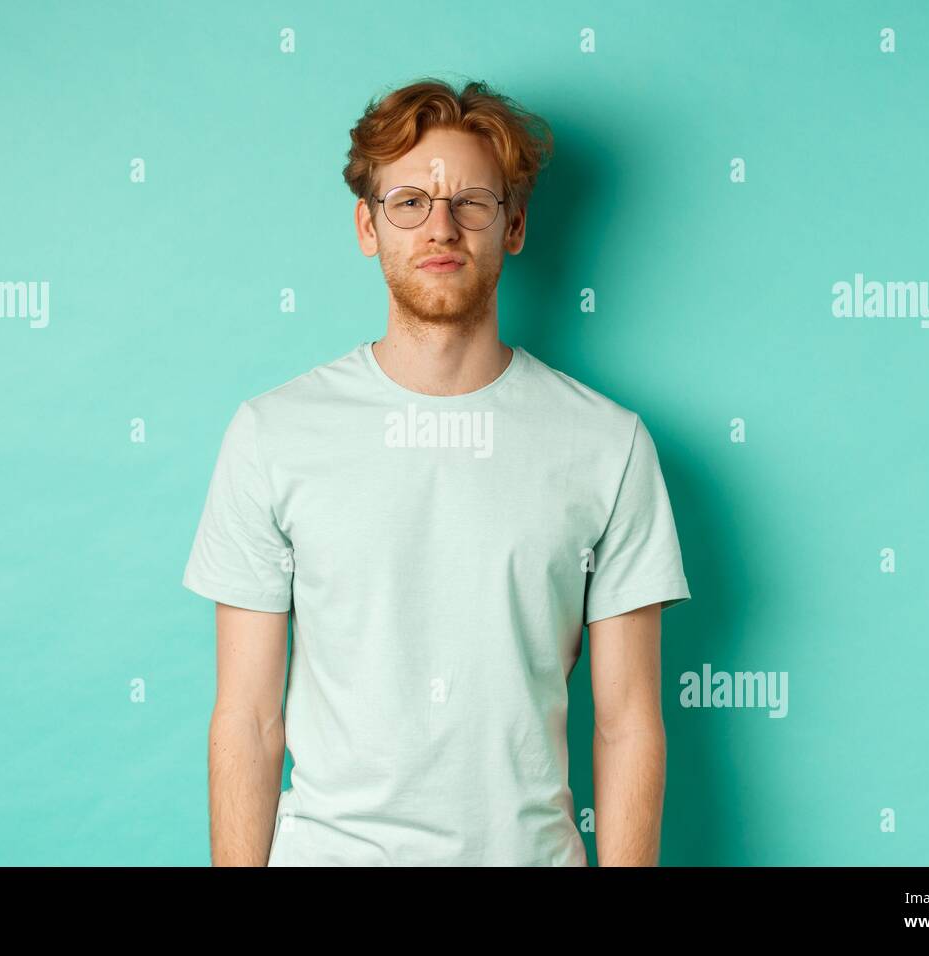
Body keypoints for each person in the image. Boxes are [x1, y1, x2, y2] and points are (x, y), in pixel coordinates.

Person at [183, 77, 691, 866]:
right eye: (410, 201)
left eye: (472, 203)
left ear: (513, 225)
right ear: (368, 225)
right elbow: (248, 717)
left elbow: (628, 722)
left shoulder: (608, 444)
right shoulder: (272, 434)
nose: (440, 227)